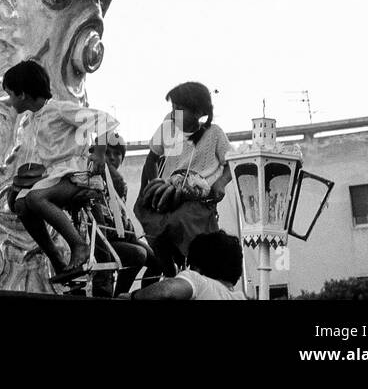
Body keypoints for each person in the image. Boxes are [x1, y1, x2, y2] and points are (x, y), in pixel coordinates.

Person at [4, 59, 117, 280]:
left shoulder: (59, 109)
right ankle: (57, 259)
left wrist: (99, 153)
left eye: (10, 94)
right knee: (21, 204)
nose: (9, 101)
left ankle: (78, 245)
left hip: (75, 174)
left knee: (36, 198)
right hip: (55, 176)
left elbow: (103, 119)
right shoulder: (33, 120)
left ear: (23, 94)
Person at [134, 81, 233, 277]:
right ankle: (169, 271)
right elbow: (152, 158)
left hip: (197, 199)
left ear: (198, 112)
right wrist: (154, 186)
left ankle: (193, 272)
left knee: (181, 222)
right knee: (151, 221)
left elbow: (231, 164)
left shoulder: (214, 134)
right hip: (168, 195)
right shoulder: (167, 129)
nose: (173, 114)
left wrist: (220, 183)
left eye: (179, 109)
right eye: (172, 108)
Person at [87, 132, 159, 296]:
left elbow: (120, 218)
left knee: (158, 261)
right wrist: (128, 232)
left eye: (117, 154)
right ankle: (121, 294)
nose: (112, 158)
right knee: (138, 254)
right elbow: (103, 223)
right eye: (107, 153)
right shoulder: (95, 178)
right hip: (98, 243)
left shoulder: (118, 183)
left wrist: (129, 231)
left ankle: (142, 296)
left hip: (118, 236)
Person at [130, 231, 248, 300]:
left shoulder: (199, 281)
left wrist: (133, 296)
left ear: (197, 265)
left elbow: (166, 289)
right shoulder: (240, 297)